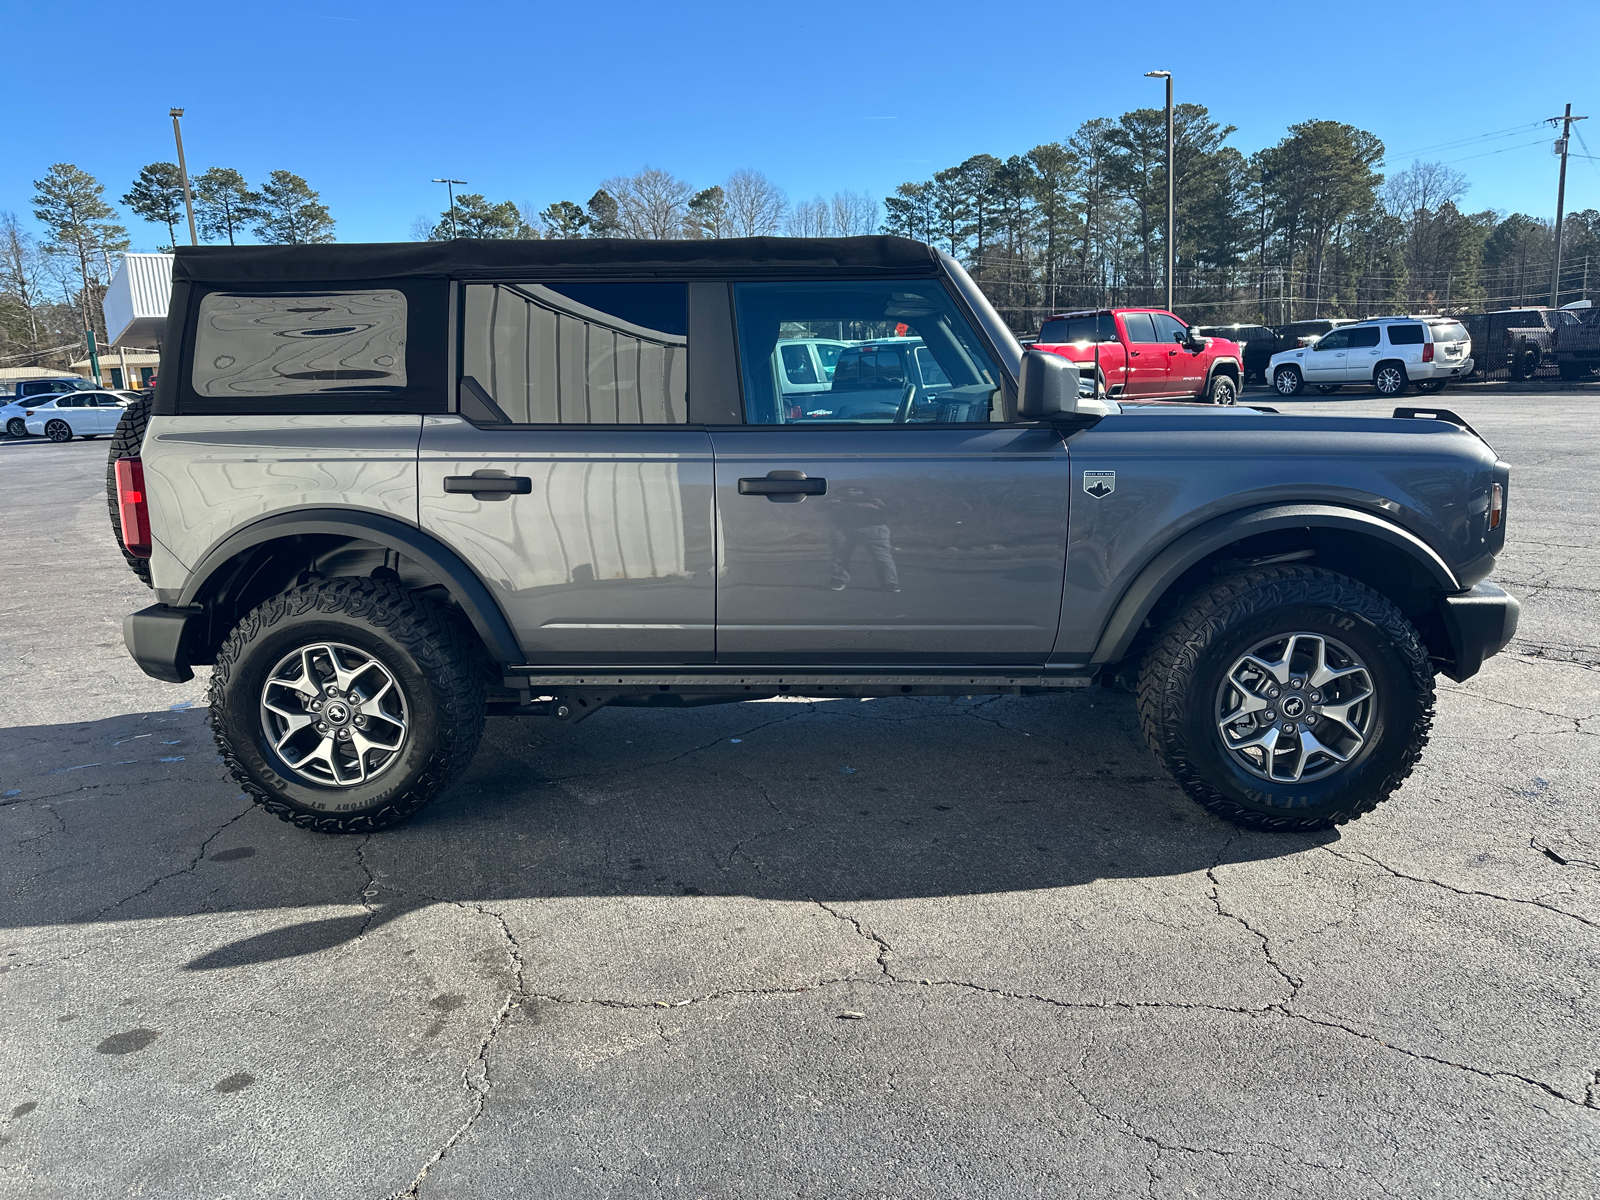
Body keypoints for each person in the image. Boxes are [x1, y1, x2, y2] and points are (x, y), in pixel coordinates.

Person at [824, 484, 899, 592]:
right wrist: (827, 503)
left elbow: (894, 510)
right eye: (848, 491)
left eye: (855, 491)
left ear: (863, 490)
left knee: (881, 556)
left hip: (871, 528)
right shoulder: (834, 499)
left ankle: (889, 583)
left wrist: (880, 504)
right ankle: (838, 581)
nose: (851, 493)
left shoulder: (876, 498)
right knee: (839, 556)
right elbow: (818, 507)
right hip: (844, 528)